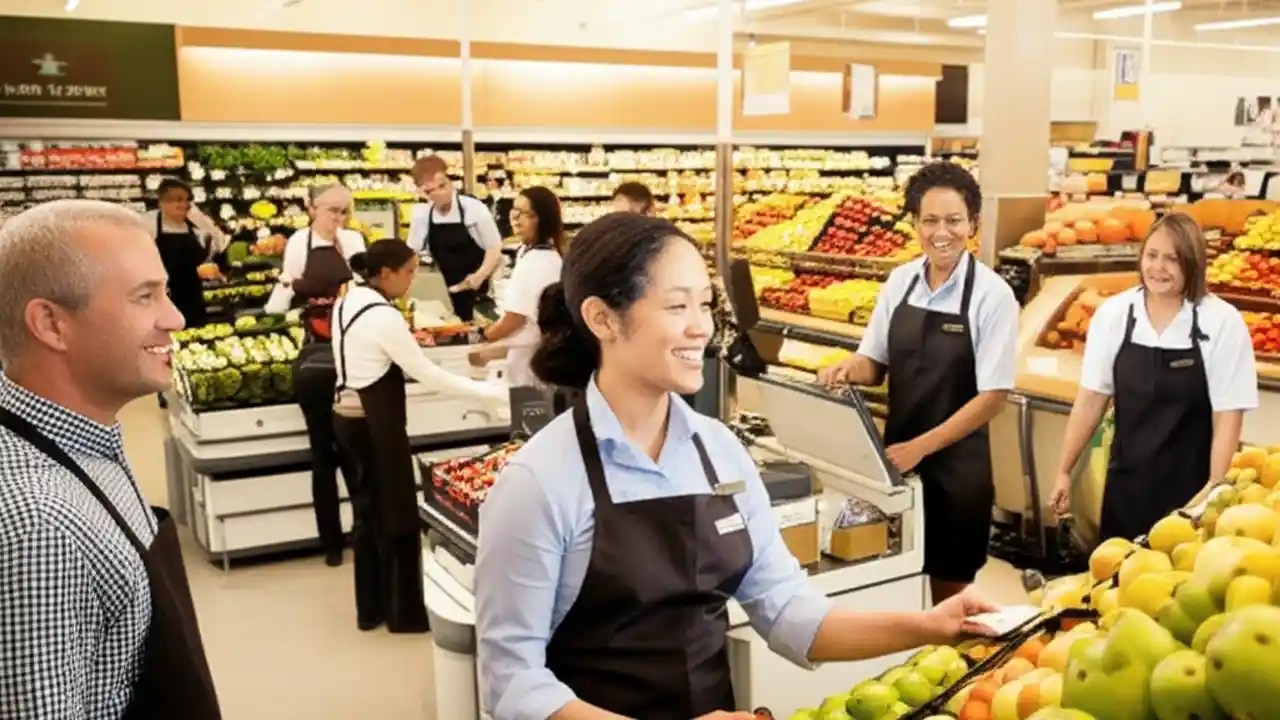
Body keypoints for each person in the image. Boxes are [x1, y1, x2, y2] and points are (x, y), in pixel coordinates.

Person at [475, 213, 996, 720]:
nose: (701, 328)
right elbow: (513, 681)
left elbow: (789, 612)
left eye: (705, 304)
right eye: (677, 306)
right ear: (602, 318)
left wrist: (929, 625)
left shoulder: (718, 449)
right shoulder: (539, 482)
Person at [0, 200, 219, 717]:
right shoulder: (39, 523)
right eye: (145, 297)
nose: (176, 318)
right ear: (51, 325)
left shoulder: (82, 439)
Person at [817, 162, 1019, 604]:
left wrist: (921, 448)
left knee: (950, 593)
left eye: (953, 220)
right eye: (930, 220)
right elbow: (875, 363)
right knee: (894, 581)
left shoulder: (992, 295)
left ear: (973, 224)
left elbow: (993, 397)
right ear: (914, 223)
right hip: (894, 462)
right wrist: (848, 368)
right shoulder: (900, 281)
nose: (940, 232)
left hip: (956, 471)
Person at [331, 240, 506, 633]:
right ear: (386, 273)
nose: (412, 280)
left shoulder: (348, 300)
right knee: (397, 516)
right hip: (376, 425)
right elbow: (429, 374)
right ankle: (404, 614)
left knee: (366, 514)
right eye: (409, 272)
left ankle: (370, 609)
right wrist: (488, 392)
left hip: (343, 417)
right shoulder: (383, 317)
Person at [1050, 213, 1258, 541]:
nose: (1158, 268)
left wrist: (1213, 494)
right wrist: (1063, 470)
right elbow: (1090, 400)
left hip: (1191, 494)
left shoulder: (1221, 323)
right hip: (1125, 487)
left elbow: (1228, 418)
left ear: (1193, 264)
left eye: (1172, 259)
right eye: (1152, 255)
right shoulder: (1115, 315)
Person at [470, 186, 565, 387]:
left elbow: (515, 319)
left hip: (530, 362)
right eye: (515, 210)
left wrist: (484, 334)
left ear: (541, 219)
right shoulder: (538, 254)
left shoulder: (537, 261)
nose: (515, 218)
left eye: (525, 214)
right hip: (535, 356)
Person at [406, 155, 504, 321]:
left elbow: (494, 248)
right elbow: (411, 253)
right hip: (443, 295)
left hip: (480, 292)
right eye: (430, 191)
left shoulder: (473, 209)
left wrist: (478, 277)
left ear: (450, 181)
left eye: (442, 186)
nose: (438, 194)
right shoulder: (422, 215)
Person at [143, 178, 230, 329]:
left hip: (192, 297)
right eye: (177, 200)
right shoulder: (148, 225)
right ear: (161, 202)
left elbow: (220, 243)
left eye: (187, 200)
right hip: (161, 298)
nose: (183, 205)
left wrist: (198, 217)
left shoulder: (196, 227)